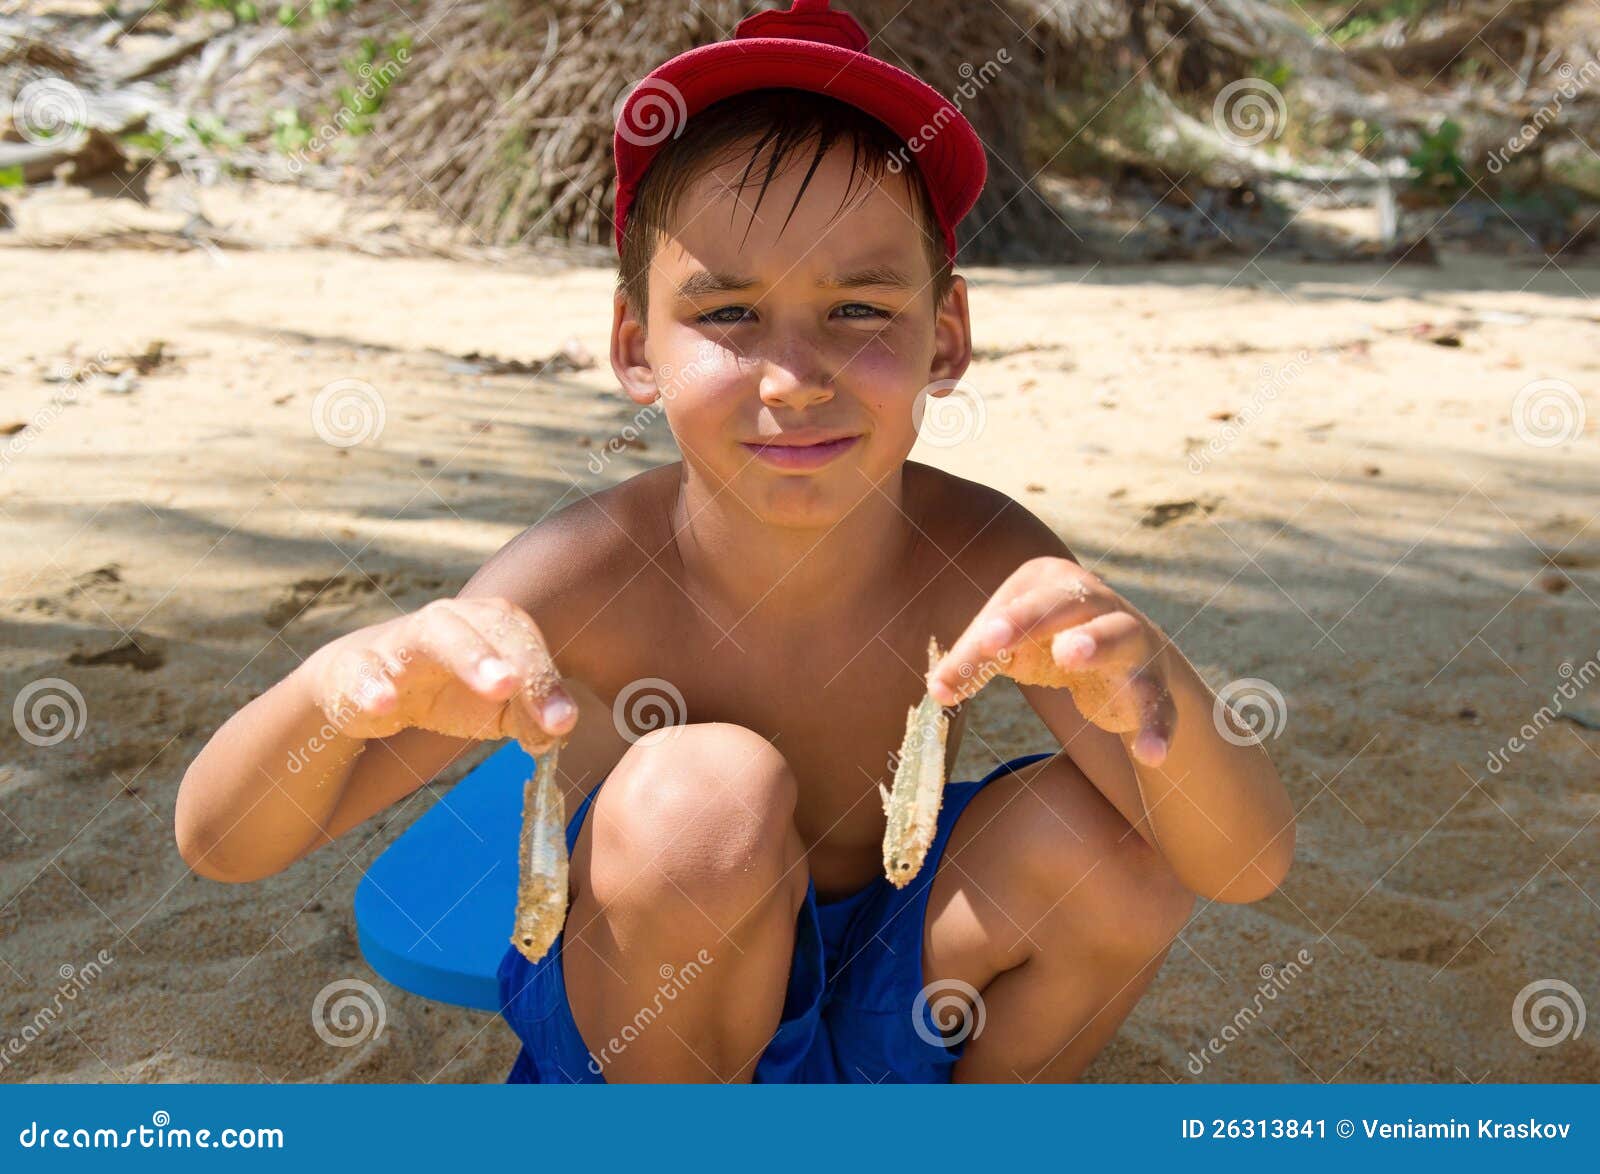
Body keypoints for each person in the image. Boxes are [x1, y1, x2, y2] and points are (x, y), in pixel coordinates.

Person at [176, 0, 1294, 1083]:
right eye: (727, 314)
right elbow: (224, 841)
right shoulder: (585, 576)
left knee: (1107, 853)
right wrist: (339, 693)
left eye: (859, 310)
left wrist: (1145, 680)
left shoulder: (980, 556)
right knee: (705, 794)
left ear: (944, 338)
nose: (793, 377)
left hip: (888, 993)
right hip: (653, 1026)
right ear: (635, 345)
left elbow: (1237, 862)